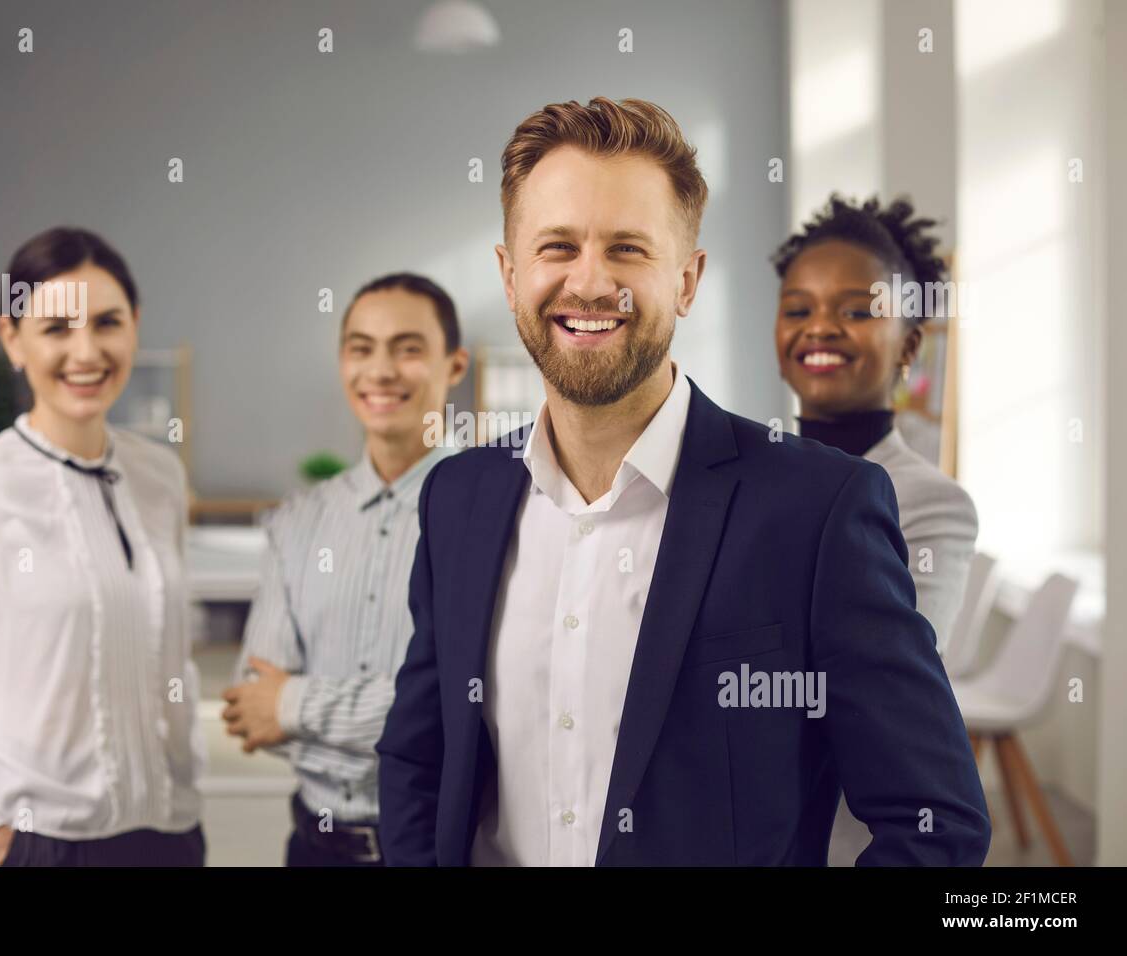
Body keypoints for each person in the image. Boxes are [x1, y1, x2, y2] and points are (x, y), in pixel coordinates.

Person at [377, 97, 990, 866]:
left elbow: (936, 821)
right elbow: (417, 758)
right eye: (557, 246)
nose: (590, 282)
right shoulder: (459, 497)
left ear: (688, 280)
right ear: (509, 274)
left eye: (628, 249)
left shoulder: (818, 508)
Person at [0, 227, 207, 866]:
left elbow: (171, 664)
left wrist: (187, 790)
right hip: (36, 847)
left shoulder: (162, 477)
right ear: (12, 340)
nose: (87, 351)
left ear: (134, 325)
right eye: (56, 329)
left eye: (107, 322)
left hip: (169, 839)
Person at [221, 273, 469, 866]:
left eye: (408, 349)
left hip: (439, 847)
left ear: (453, 365)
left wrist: (295, 706)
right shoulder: (297, 522)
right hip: (312, 849)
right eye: (361, 348)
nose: (380, 371)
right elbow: (252, 704)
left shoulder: (488, 512)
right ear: (343, 364)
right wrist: (386, 715)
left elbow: (464, 710)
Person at [772, 194, 978, 652]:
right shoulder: (749, 475)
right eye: (798, 310)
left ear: (908, 347)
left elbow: (888, 673)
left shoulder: (933, 504)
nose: (820, 328)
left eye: (858, 311)